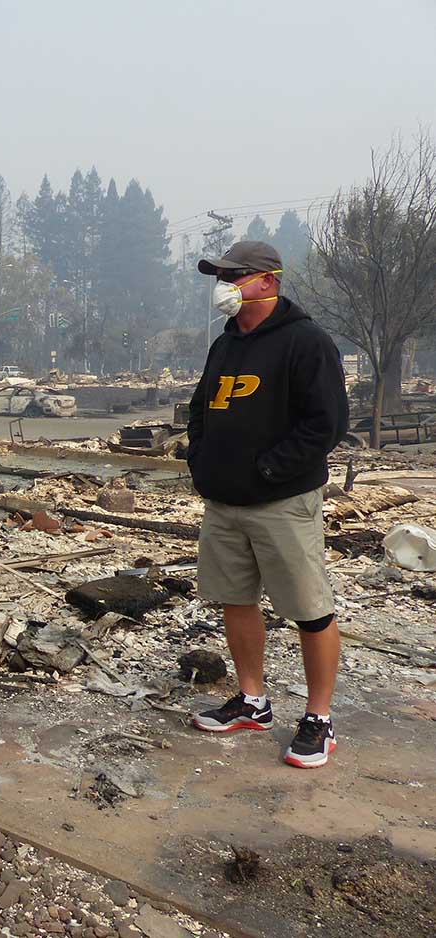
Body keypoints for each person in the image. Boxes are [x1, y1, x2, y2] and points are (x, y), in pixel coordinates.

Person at [186, 241, 349, 768]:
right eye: (220, 275)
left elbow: (326, 424)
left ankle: (318, 718)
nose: (224, 284)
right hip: (224, 502)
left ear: (268, 281)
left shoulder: (305, 342)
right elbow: (200, 412)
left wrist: (271, 468)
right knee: (235, 599)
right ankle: (252, 700)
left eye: (235, 275)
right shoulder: (225, 345)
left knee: (309, 608)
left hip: (283, 501)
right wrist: (202, 463)